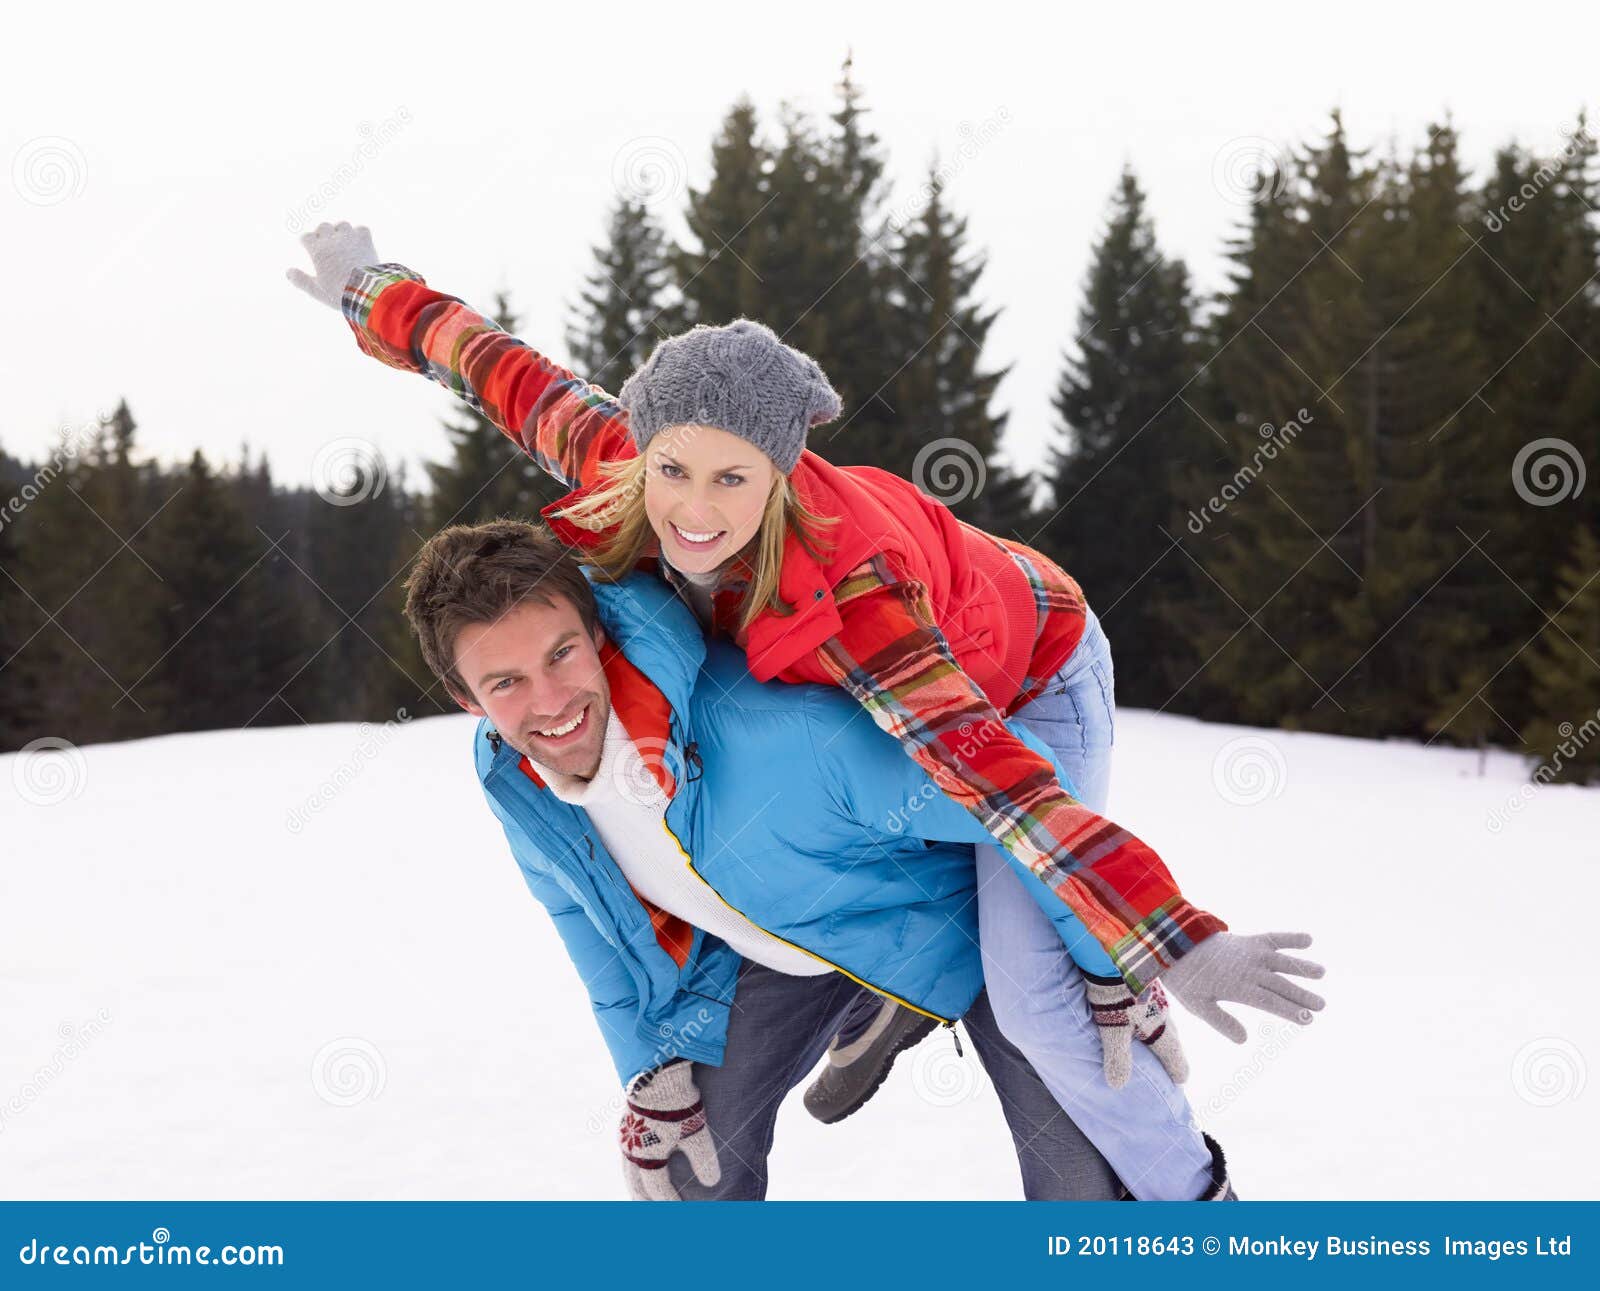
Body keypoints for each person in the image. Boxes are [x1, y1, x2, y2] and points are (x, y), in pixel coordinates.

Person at [289, 223, 1326, 1191]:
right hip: (910, 702)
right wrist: (364, 289)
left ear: (780, 476)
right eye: (674, 471)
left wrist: (1158, 941)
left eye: (733, 479)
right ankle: (886, 981)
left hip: (1030, 673)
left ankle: (1197, 1206)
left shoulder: (853, 601)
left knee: (1041, 1004)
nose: (695, 509)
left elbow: (1007, 792)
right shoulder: (622, 472)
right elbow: (500, 368)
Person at [400, 517, 1235, 1200]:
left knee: (1083, 1199)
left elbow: (1015, 804)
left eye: (560, 654)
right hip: (794, 945)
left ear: (597, 634)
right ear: (466, 700)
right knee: (694, 1167)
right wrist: (650, 1069)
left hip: (963, 913)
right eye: (505, 683)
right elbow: (588, 932)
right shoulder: (516, 779)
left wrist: (1109, 952)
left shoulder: (779, 742)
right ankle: (874, 1004)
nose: (549, 703)